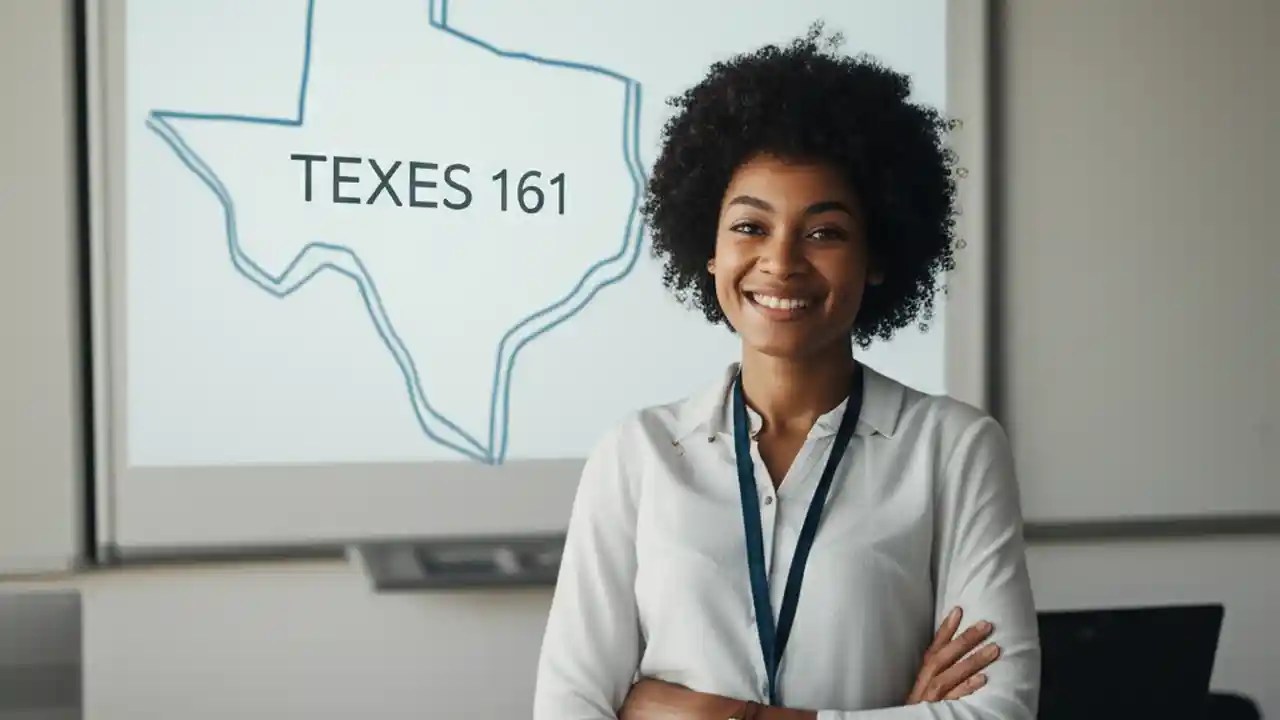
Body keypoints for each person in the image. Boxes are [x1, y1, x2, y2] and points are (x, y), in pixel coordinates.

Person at [533, 25, 1040, 720]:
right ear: (707, 250)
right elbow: (570, 708)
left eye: (825, 232)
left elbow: (998, 713)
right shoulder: (638, 454)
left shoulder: (953, 449)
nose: (781, 261)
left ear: (879, 253)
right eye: (749, 227)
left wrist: (718, 717)